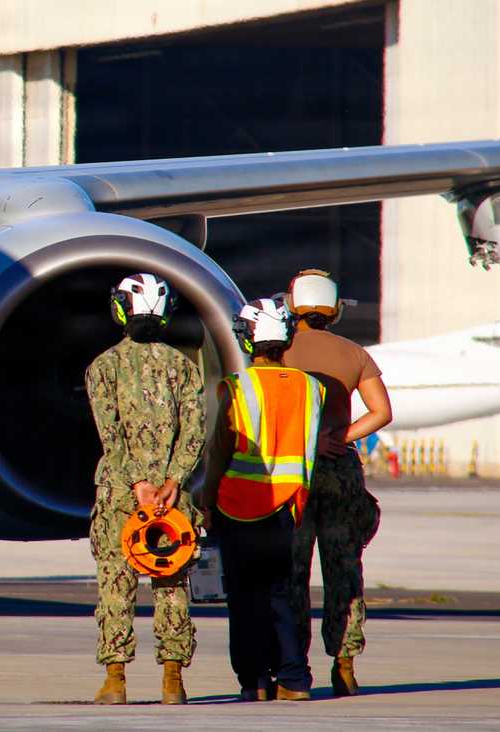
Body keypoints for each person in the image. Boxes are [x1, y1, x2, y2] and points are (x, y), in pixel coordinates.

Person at [85, 273, 204, 706]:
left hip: (121, 493)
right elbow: (194, 432)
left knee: (116, 583)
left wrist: (137, 483)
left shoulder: (103, 368)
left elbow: (110, 434)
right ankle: (173, 681)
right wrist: (173, 480)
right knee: (171, 583)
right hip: (173, 497)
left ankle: (115, 680)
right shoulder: (183, 368)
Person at [200, 298, 324, 701]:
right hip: (290, 507)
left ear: (248, 339)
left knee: (244, 599)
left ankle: (253, 681)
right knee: (284, 595)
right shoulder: (311, 386)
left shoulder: (239, 387)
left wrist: (207, 499)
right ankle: (295, 680)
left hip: (239, 506)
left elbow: (221, 449)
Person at [281, 269, 391, 696]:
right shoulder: (354, 353)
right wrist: (338, 437)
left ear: (293, 306)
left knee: (293, 571)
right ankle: (344, 665)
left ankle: (293, 665)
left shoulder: (279, 350)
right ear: (335, 308)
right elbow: (381, 412)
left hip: (296, 472)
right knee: (344, 570)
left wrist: (308, 441)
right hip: (341, 469)